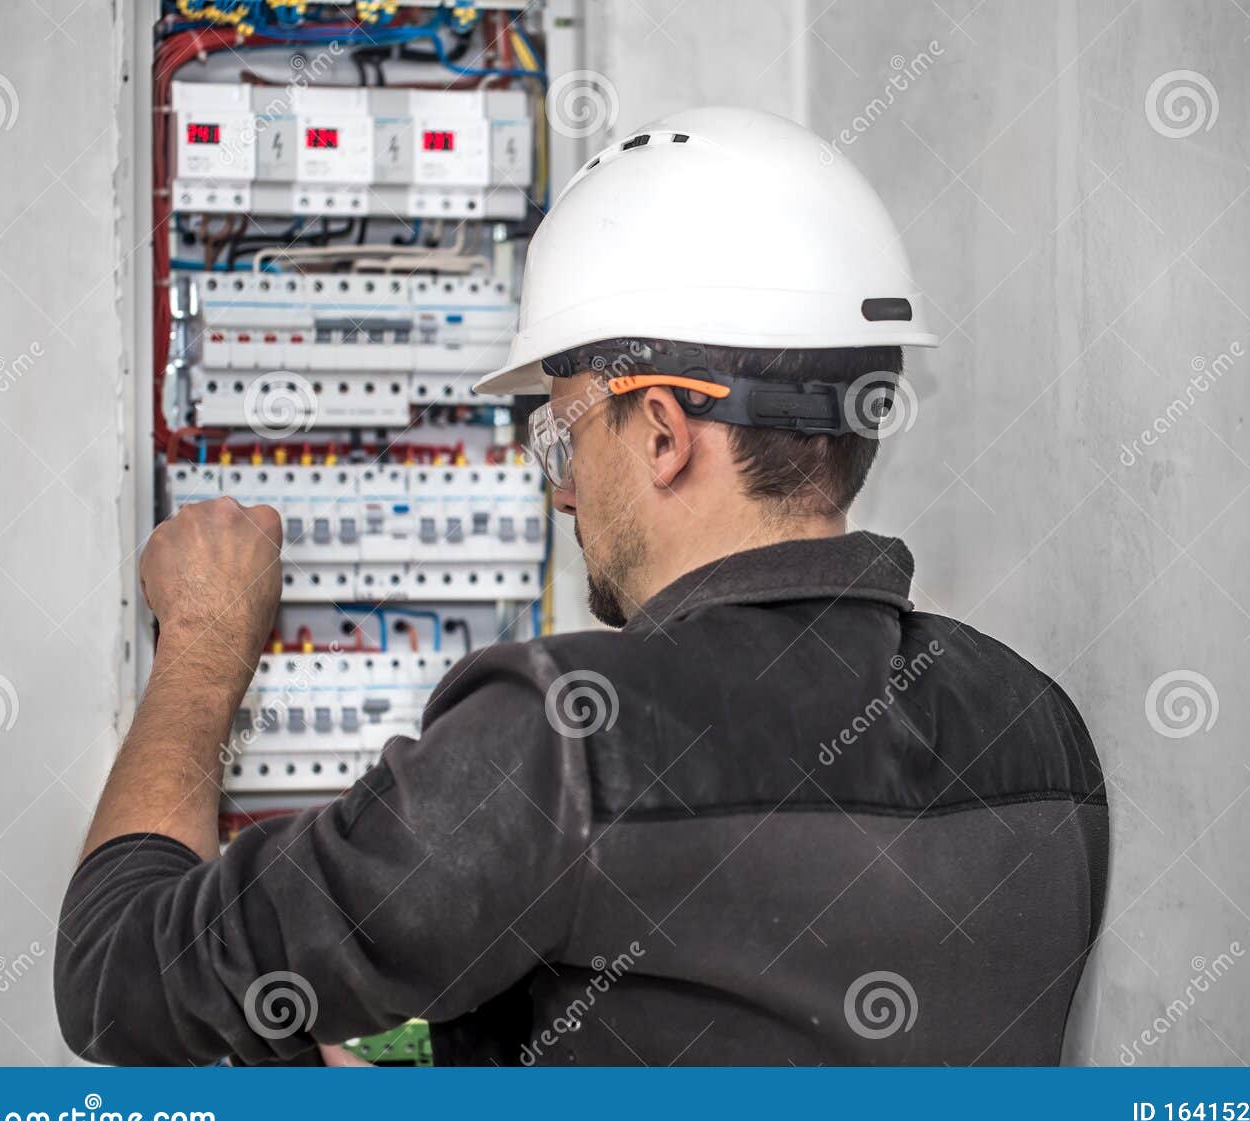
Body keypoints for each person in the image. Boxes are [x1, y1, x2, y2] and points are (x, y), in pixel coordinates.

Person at [55, 107, 1108, 1066]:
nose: (560, 493)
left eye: (561, 438)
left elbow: (113, 978)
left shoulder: (560, 740)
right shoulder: (1036, 727)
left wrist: (204, 641)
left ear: (661, 433)